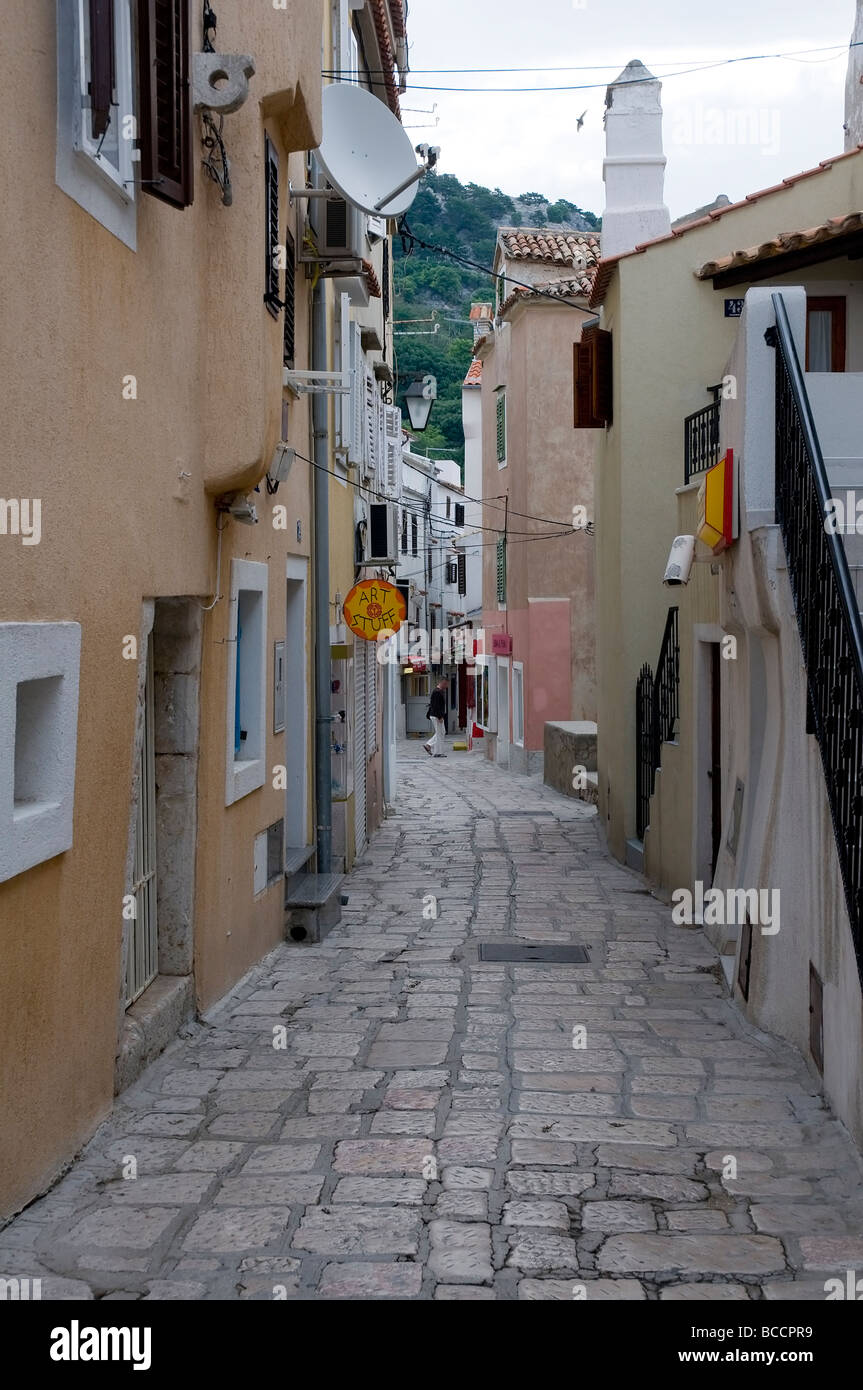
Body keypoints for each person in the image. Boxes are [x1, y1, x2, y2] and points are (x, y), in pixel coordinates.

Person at [424, 679, 448, 758]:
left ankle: (429, 745)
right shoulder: (437, 692)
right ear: (441, 683)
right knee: (440, 733)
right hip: (436, 715)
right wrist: (440, 716)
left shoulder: (438, 691)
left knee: (441, 732)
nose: (446, 686)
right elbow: (436, 706)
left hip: (436, 715)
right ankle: (437, 752)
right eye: (445, 684)